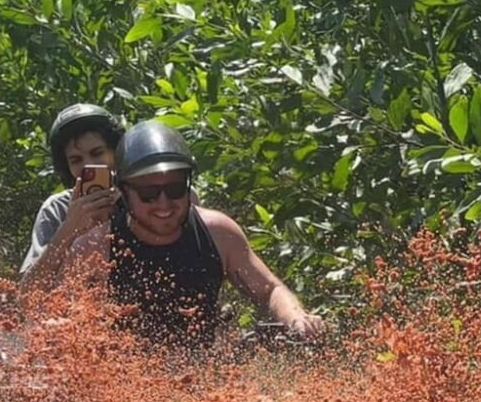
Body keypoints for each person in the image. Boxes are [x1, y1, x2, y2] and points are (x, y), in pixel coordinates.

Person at [66, 121, 324, 347]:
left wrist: (295, 318)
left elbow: (268, 289)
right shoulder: (94, 249)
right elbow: (70, 332)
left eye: (175, 189)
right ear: (124, 191)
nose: (163, 203)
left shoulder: (219, 233)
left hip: (206, 381)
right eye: (148, 193)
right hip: (122, 386)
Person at [19, 104, 123, 292]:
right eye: (76, 160)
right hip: (74, 314)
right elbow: (27, 296)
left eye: (97, 153)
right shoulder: (57, 208)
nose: (88, 165)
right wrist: (69, 228)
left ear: (115, 152)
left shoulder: (141, 199)